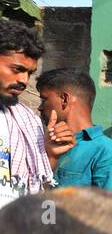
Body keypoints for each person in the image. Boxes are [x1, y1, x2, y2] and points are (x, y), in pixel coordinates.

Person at [37, 67, 112, 192]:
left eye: (44, 99)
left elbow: (108, 208)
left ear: (64, 99)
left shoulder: (107, 152)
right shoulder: (45, 144)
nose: (40, 107)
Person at [0, 19, 64, 206]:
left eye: (29, 73)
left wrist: (50, 156)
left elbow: (40, 187)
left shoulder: (27, 121)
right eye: (17, 69)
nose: (24, 80)